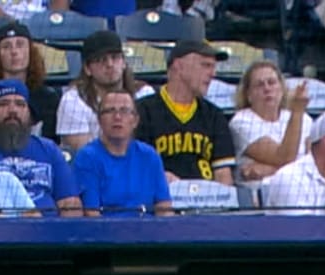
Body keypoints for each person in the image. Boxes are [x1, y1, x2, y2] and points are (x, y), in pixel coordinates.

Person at [136, 41, 235, 185]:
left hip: (207, 202)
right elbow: (136, 168)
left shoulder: (214, 116)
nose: (213, 74)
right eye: (205, 65)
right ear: (179, 66)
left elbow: (223, 174)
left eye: (213, 67)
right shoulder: (143, 111)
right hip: (159, 200)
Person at [0, 79, 81, 215]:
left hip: (49, 232)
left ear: (28, 112)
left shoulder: (49, 149)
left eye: (20, 104)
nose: (12, 110)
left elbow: (70, 203)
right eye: (3, 104)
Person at [73, 89, 173, 217]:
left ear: (135, 121)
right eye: (110, 111)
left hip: (148, 232)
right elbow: (92, 214)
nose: (117, 117)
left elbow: (164, 208)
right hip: (107, 233)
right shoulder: (87, 157)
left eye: (124, 111)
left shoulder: (150, 156)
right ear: (99, 120)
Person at [55, 31, 151, 155]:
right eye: (101, 60)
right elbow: (85, 154)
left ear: (123, 63)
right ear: (87, 69)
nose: (109, 64)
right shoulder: (73, 100)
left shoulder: (144, 93)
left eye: (115, 57)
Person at [0, 22, 59, 140]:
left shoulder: (47, 97)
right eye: (6, 46)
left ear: (30, 51)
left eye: (20, 45)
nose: (14, 52)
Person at [228, 61, 312, 185]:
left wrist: (268, 170)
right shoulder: (241, 122)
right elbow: (284, 158)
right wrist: (297, 111)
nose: (267, 88)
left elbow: (314, 168)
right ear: (248, 95)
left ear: (282, 89)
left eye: (271, 82)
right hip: (261, 197)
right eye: (259, 85)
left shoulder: (305, 119)